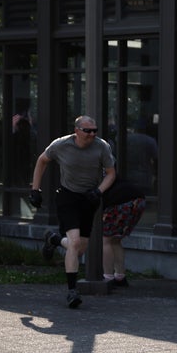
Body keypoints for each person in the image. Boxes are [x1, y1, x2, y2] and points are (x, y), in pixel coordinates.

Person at [29, 115, 116, 308]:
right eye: (88, 131)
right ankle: (71, 291)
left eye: (95, 131)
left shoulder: (102, 147)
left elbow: (111, 173)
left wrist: (99, 191)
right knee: (75, 242)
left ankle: (54, 239)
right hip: (67, 196)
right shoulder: (61, 145)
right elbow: (42, 160)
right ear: (77, 131)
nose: (92, 134)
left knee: (79, 248)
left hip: (89, 197)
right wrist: (35, 189)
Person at [100, 174, 146, 288]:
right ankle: (120, 277)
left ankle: (108, 277)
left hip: (120, 202)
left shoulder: (87, 176)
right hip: (138, 200)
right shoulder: (105, 168)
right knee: (115, 239)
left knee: (105, 240)